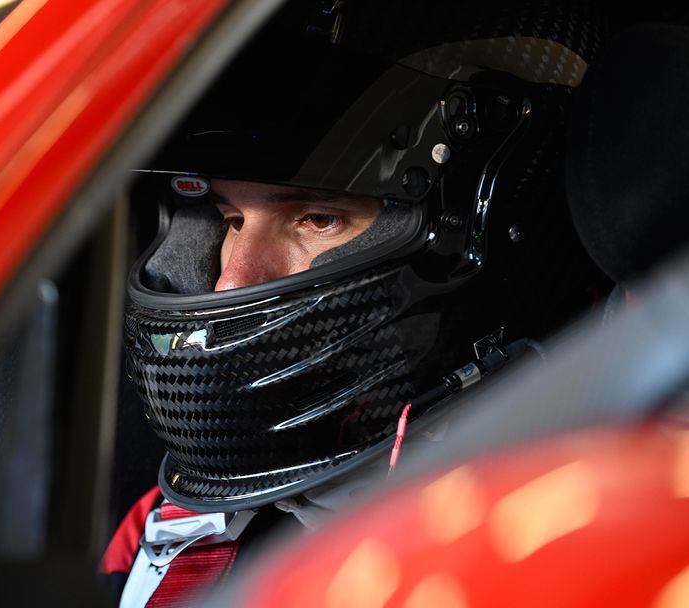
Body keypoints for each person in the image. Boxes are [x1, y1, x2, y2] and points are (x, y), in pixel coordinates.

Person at [104, 1, 609, 604]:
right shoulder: (173, 527)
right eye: (229, 219)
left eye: (319, 218)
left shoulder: (609, 521)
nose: (230, 283)